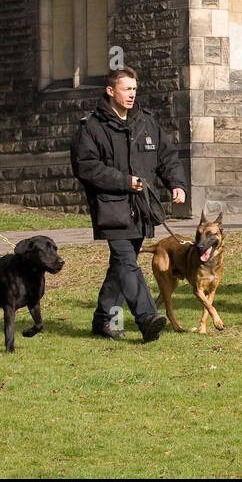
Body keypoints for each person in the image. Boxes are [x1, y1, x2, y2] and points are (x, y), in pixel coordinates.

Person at [71, 67, 181, 342]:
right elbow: (86, 167)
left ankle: (102, 320)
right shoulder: (92, 127)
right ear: (111, 91)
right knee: (127, 262)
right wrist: (123, 181)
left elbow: (166, 156)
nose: (132, 94)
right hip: (111, 208)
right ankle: (146, 317)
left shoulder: (146, 122)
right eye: (126, 89)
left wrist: (176, 184)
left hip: (141, 207)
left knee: (120, 266)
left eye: (134, 89)